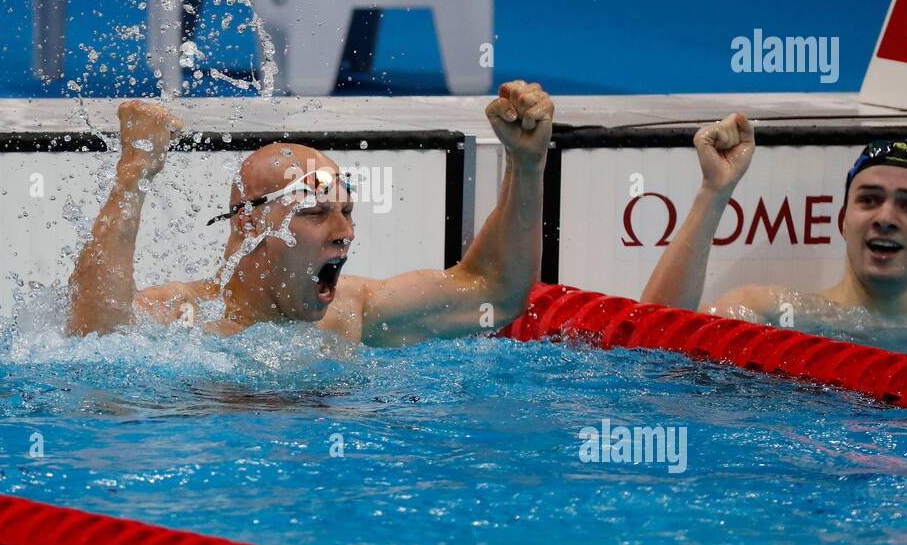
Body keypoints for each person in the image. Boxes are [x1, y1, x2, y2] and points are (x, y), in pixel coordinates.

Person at [67, 81, 554, 346]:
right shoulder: (183, 317)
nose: (344, 232)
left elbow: (495, 292)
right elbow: (91, 335)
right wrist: (133, 174)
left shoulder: (351, 313)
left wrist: (527, 164)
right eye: (317, 211)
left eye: (347, 211)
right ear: (249, 221)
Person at [640, 112, 907, 333]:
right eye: (869, 200)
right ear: (842, 221)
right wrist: (715, 190)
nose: (885, 218)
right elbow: (654, 342)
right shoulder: (774, 314)